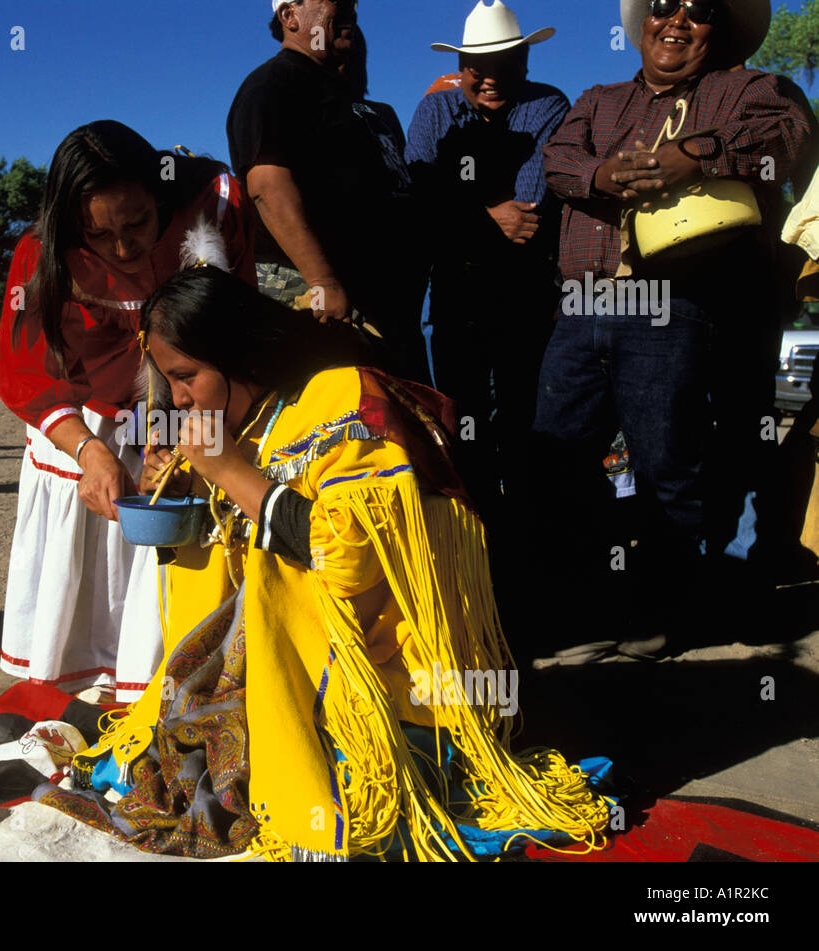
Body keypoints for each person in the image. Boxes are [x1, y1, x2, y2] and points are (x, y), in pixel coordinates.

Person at [38, 265, 612, 861]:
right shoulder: (257, 418)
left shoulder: (345, 401)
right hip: (296, 661)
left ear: (242, 355)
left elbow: (344, 564)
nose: (178, 399)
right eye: (169, 380)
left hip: (390, 678)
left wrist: (230, 472)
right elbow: (247, 560)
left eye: (186, 377)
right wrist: (188, 492)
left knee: (318, 795)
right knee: (181, 757)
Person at [536, 0, 814, 658]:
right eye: (664, 5)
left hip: (674, 307)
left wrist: (701, 153)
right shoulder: (598, 100)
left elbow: (790, 134)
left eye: (700, 10)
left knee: (668, 467)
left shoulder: (745, 88)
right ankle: (569, 601)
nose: (677, 20)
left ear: (719, 29)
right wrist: (601, 175)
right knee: (554, 459)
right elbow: (557, 157)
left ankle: (663, 615)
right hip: (581, 306)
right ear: (645, 20)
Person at [0, 120, 254, 702]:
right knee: (95, 579)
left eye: (138, 223)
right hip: (85, 423)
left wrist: (195, 430)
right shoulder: (40, 254)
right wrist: (91, 452)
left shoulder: (211, 205)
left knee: (176, 546)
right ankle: (85, 691)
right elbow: (28, 373)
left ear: (161, 193)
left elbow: (233, 332)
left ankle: (156, 691)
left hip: (187, 408)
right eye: (99, 235)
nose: (123, 248)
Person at [405, 1, 569, 628]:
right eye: (479, 66)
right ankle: (474, 576)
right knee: (460, 426)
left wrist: (461, 211)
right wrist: (482, 213)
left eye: (505, 62)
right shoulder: (434, 109)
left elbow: (527, 209)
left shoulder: (548, 105)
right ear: (464, 65)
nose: (491, 76)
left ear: (524, 59)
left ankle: (525, 576)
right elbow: (418, 194)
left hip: (526, 300)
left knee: (524, 429)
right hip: (454, 300)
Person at [227, 1, 429, 383]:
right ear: (290, 16)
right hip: (317, 298)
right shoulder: (273, 85)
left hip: (378, 298)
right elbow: (268, 189)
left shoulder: (342, 96)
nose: (351, 5)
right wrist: (323, 282)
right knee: (344, 417)